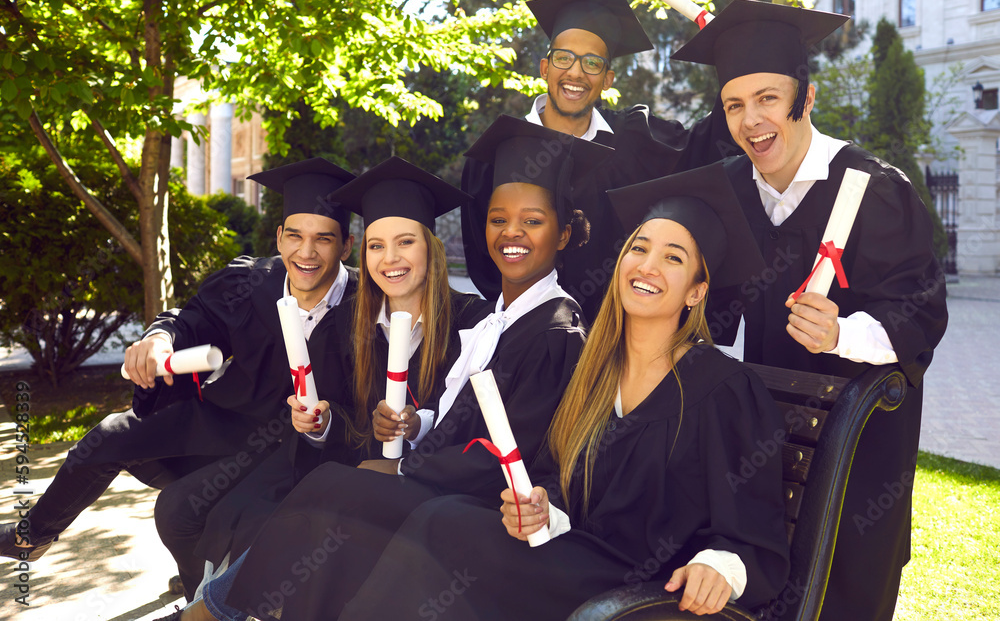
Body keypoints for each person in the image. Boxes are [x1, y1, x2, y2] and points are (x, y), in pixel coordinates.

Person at [334, 163, 791, 620]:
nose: (647, 266)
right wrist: (540, 509)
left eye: (673, 258)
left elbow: (752, 535)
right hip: (575, 559)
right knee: (445, 519)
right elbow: (558, 481)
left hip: (643, 592)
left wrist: (717, 567)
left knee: (448, 528)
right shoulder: (593, 372)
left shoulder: (722, 388)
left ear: (696, 292)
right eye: (639, 248)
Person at [205, 117, 610, 621]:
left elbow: (514, 450)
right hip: (449, 485)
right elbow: (462, 418)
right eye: (498, 219)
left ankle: (212, 612)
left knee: (338, 490)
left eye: (532, 221)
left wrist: (407, 465)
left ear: (564, 233)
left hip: (486, 507)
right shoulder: (500, 321)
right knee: (334, 497)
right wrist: (415, 427)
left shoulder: (554, 330)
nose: (511, 233)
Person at [670, 0, 949, 621]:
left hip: (861, 448)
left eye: (768, 98)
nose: (752, 120)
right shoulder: (730, 191)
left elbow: (923, 311)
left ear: (808, 98)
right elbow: (714, 315)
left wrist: (843, 333)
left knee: (847, 589)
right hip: (766, 436)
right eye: (735, 105)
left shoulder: (873, 189)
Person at [152, 157, 488, 621]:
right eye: (375, 246)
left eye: (405, 242)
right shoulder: (352, 326)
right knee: (320, 499)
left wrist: (417, 427)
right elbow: (346, 426)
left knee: (331, 499)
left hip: (441, 487)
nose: (389, 259)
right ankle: (212, 609)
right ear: (362, 253)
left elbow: (476, 424)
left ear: (430, 247)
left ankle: (205, 613)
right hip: (363, 476)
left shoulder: (474, 322)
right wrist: (324, 421)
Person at [0, 158, 357, 592]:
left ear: (346, 246)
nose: (306, 252)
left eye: (324, 239)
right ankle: (31, 539)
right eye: (296, 236)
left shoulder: (363, 308)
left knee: (180, 512)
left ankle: (200, 594)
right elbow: (190, 320)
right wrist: (159, 339)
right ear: (279, 237)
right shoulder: (249, 283)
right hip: (225, 421)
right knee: (107, 437)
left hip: (293, 448)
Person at [461, 0, 734, 320]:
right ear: (545, 69)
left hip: (615, 336)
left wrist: (733, 57)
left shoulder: (636, 139)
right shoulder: (498, 151)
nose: (575, 72)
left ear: (607, 79)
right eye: (563, 58)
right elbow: (482, 258)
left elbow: (708, 146)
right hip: (527, 333)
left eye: (592, 63)